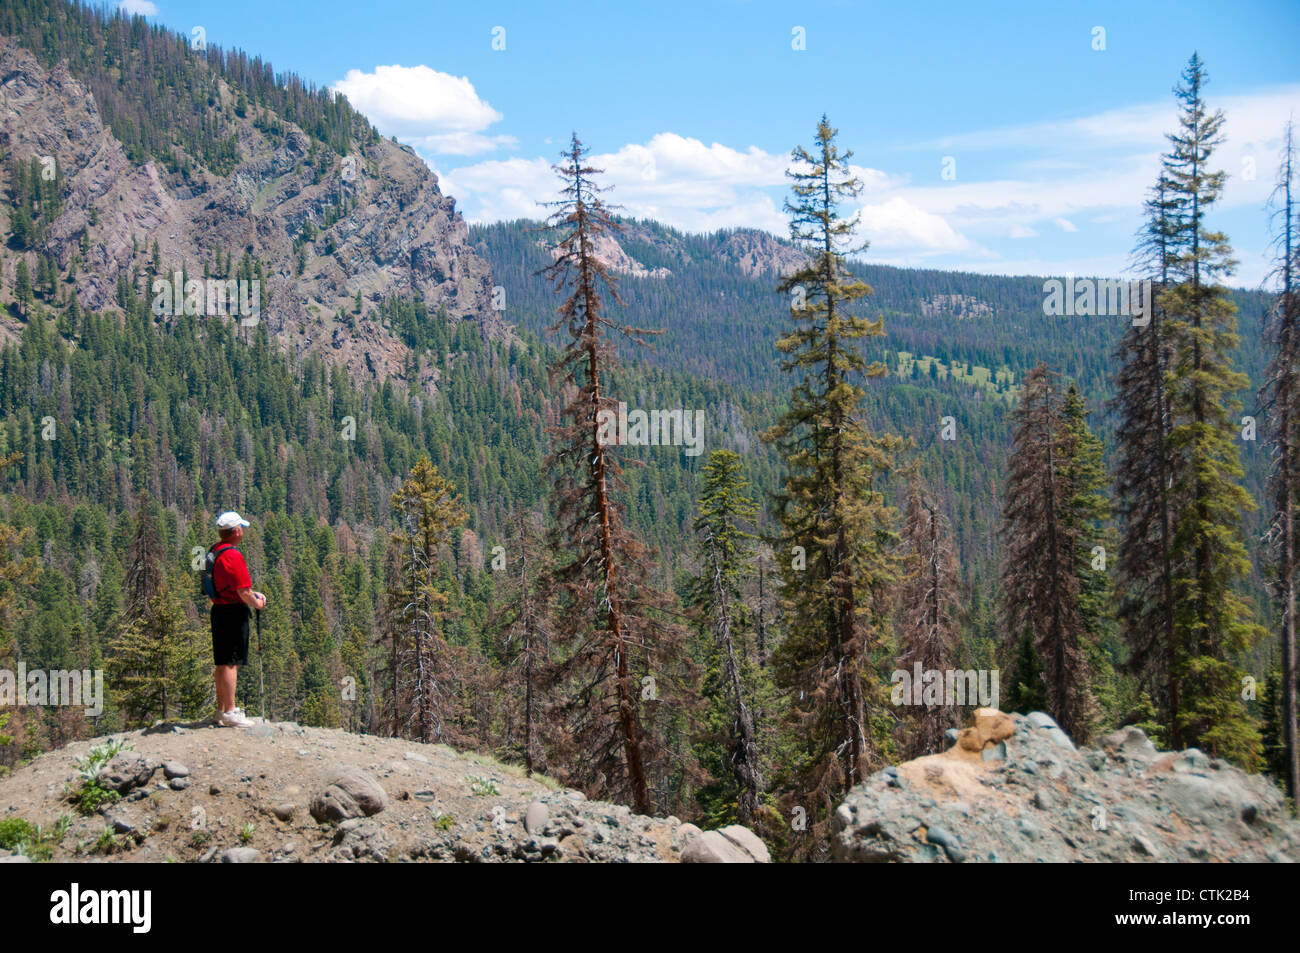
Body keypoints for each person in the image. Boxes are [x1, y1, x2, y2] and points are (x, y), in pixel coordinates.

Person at [208, 511, 266, 728]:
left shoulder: (214, 551)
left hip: (219, 610)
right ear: (236, 531)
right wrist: (257, 602)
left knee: (222, 662)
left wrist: (250, 595)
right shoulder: (233, 556)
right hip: (233, 613)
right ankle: (231, 711)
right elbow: (243, 591)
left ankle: (222, 709)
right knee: (232, 663)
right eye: (241, 528)